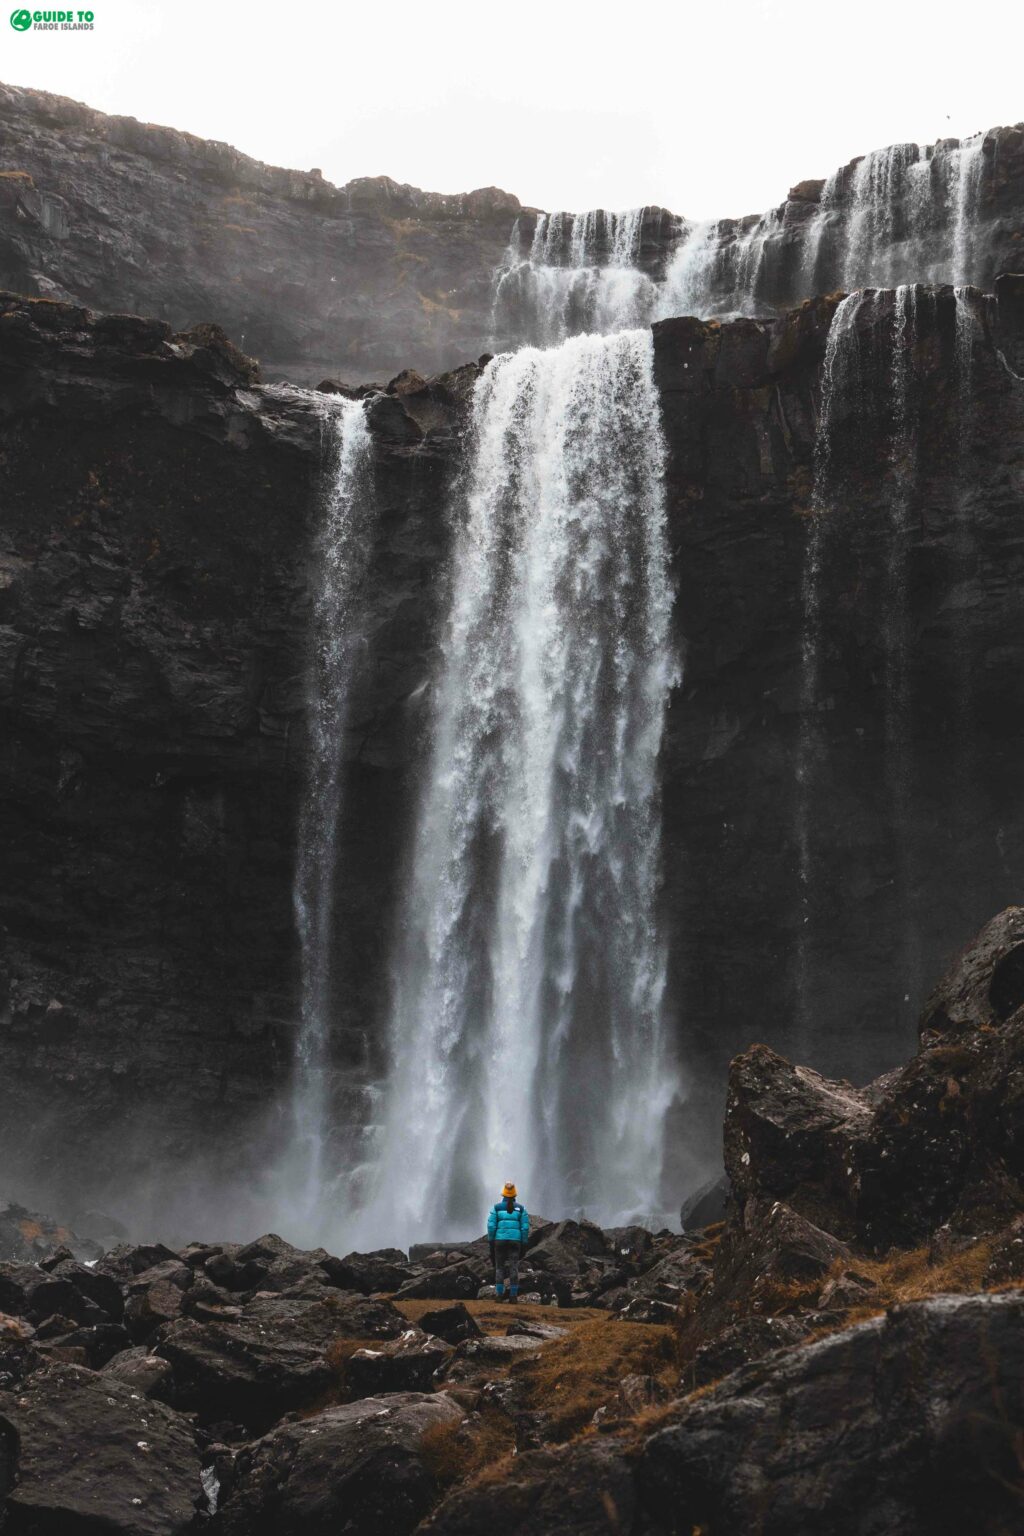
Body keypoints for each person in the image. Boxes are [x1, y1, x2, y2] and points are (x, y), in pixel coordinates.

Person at [487, 1180, 529, 1303]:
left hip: (499, 1241)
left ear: (503, 1195)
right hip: (515, 1241)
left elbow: (491, 1226)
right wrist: (524, 1243)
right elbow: (525, 1227)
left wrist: (491, 1241)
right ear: (515, 1195)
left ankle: (499, 1295)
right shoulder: (521, 1209)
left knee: (499, 1267)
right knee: (514, 1268)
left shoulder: (496, 1208)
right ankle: (513, 1296)